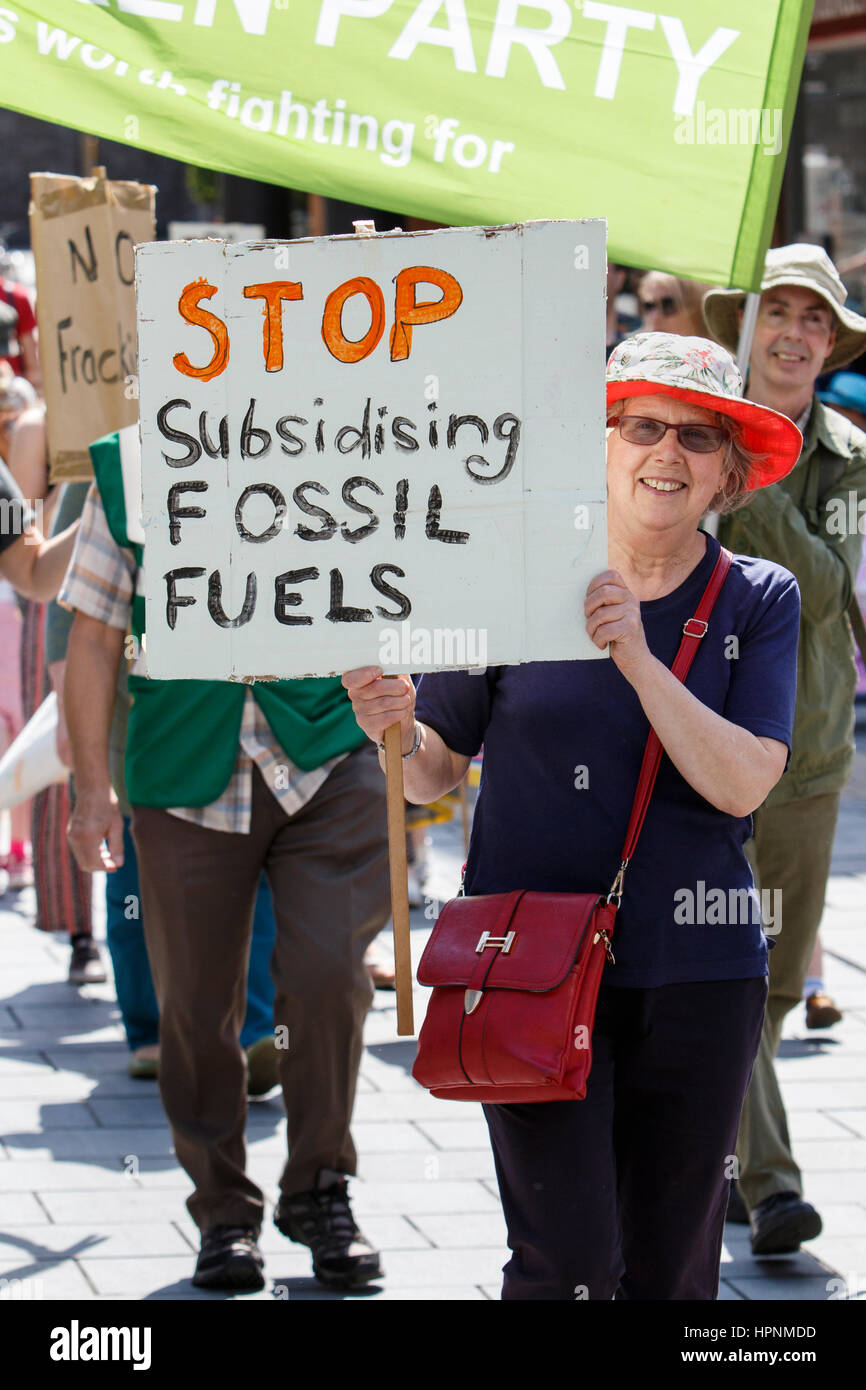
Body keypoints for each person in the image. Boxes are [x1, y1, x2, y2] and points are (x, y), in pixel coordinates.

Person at [344, 331, 803, 1301]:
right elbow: (431, 771)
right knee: (567, 1263)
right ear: (598, 441)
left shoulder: (757, 599)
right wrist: (390, 722)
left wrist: (635, 656)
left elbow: (741, 781)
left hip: (697, 971)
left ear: (726, 471)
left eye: (696, 434)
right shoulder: (512, 579)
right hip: (524, 970)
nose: (665, 452)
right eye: (641, 425)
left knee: (673, 1267)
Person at [64, 431, 391, 1294]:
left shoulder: (346, 437)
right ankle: (224, 1213)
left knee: (327, 976)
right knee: (197, 1009)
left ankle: (320, 1190)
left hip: (327, 754)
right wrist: (91, 787)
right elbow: (93, 637)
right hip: (185, 770)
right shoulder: (125, 466)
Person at [704, 243, 866, 1254]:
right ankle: (771, 1186)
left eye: (817, 321)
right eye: (781, 313)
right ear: (745, 327)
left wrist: (752, 478)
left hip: (806, 754)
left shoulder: (848, 455)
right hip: (699, 750)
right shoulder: (688, 428)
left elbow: (818, 589)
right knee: (727, 963)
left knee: (766, 985)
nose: (796, 335)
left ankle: (718, 1154)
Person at [639, 270, 716, 339]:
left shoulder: (721, 354)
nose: (655, 318)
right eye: (649, 306)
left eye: (668, 305)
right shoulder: (634, 351)